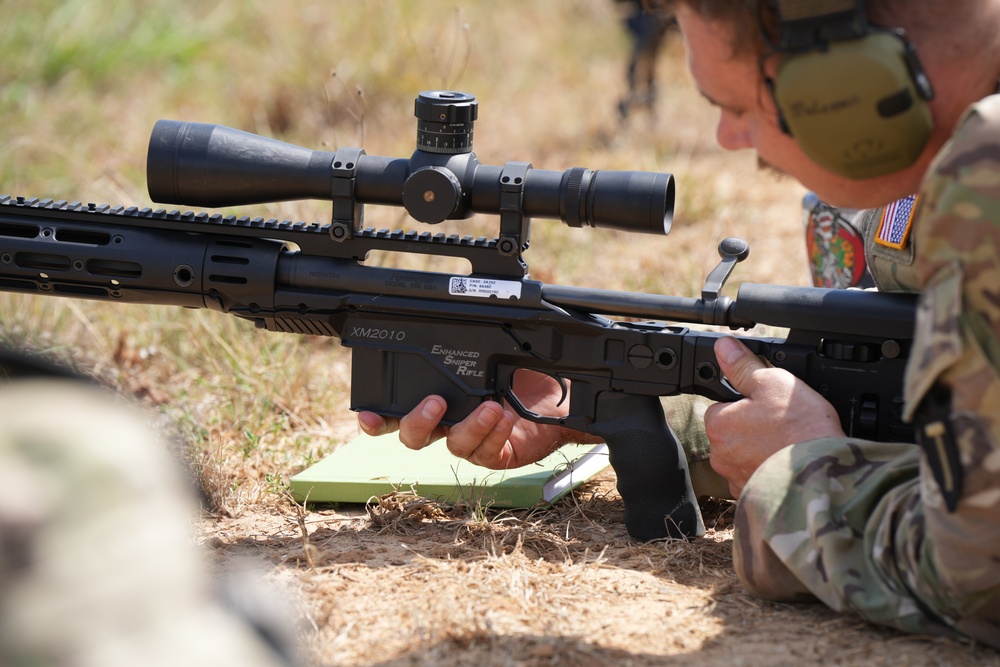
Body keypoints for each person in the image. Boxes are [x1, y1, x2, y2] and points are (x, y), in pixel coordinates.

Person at [358, 0, 1000, 646]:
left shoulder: (987, 169)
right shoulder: (949, 156)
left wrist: (808, 474)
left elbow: (974, 575)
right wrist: (588, 400)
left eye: (738, 107)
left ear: (850, 84)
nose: (729, 137)